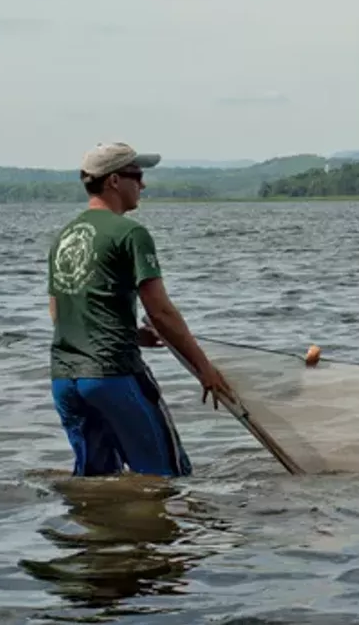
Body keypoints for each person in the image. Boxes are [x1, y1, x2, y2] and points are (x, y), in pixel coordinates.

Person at [47, 142, 233, 478]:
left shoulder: (64, 236)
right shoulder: (131, 233)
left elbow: (60, 313)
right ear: (115, 181)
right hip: (113, 374)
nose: (143, 185)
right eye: (138, 175)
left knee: (96, 482)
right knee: (167, 477)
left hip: (64, 380)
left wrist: (131, 333)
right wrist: (205, 368)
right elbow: (160, 311)